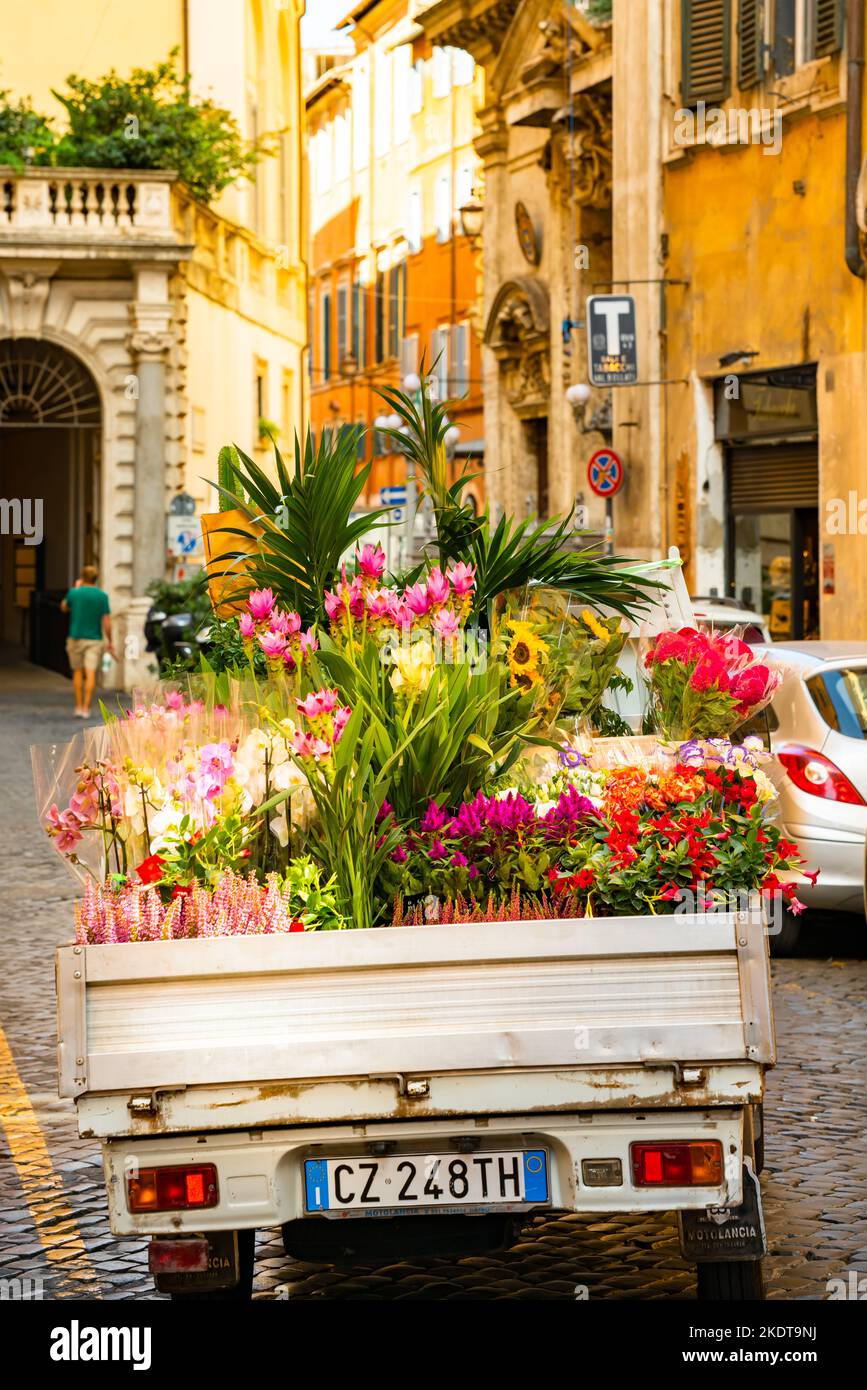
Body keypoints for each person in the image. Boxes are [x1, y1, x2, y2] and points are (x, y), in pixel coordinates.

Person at [61, 565, 114, 718]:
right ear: (96, 578)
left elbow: (63, 607)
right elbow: (106, 622)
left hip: (76, 637)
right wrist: (110, 640)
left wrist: (75, 588)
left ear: (82, 577)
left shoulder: (74, 593)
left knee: (77, 671)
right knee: (90, 673)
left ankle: (77, 706)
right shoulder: (102, 596)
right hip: (94, 639)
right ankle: (86, 708)